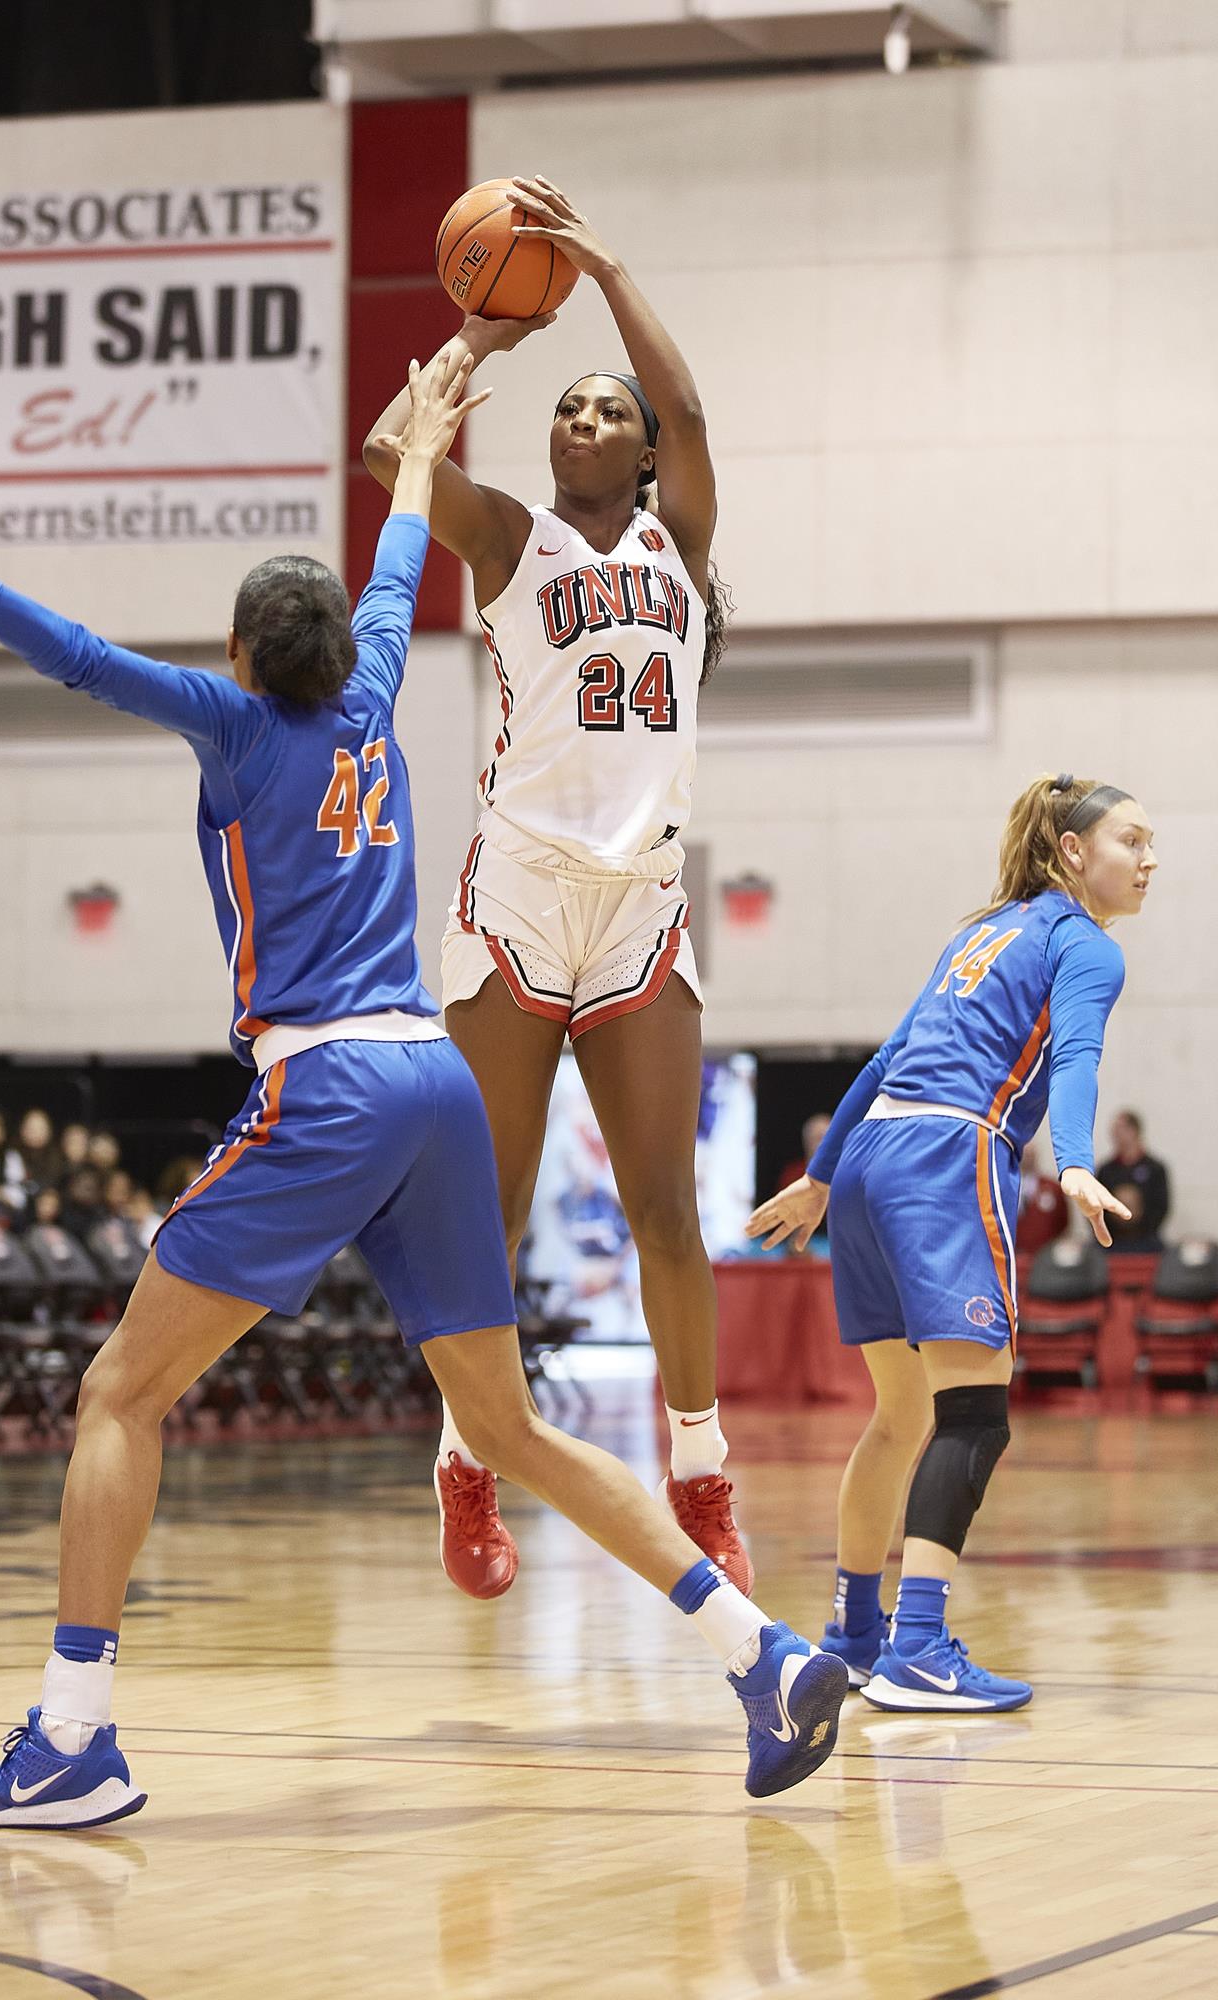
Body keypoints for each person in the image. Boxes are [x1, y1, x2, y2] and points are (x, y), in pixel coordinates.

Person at [0, 351, 846, 1830]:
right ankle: (761, 1657)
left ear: (240, 654)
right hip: (434, 1080)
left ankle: (74, 1736)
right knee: (508, 1428)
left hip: (327, 1085)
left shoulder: (232, 720)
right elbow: (392, 566)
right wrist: (426, 443)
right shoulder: (373, 686)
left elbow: (75, 653)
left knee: (121, 1391)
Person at [363, 174, 750, 1604]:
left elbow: (695, 415)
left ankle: (702, 1480)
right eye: (567, 409)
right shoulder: (512, 539)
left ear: (644, 454)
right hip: (516, 899)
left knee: (667, 1212)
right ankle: (469, 1457)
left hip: (641, 901)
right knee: (496, 1209)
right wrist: (491, 336)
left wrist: (603, 274)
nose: (583, 420)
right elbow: (386, 448)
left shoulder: (680, 551)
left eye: (607, 411)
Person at [746, 773, 1156, 1711]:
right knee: (974, 1417)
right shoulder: (1085, 944)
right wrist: (1082, 1160)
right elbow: (1079, 1055)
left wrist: (818, 1178)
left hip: (870, 1157)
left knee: (900, 1417)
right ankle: (920, 1646)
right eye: (1130, 841)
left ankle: (853, 1634)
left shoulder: (982, 929)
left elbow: (888, 1057)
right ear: (1071, 854)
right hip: (947, 1151)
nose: (1148, 859)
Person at [1096, 1109, 1170, 1254]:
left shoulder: (1154, 1168)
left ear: (1134, 1131)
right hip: (1112, 1239)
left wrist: (1138, 1223)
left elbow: (1161, 1206)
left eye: (1121, 1128)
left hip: (1146, 1238)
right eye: (1114, 1129)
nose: (1116, 1134)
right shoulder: (1106, 1170)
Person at [1016, 1142, 1068, 1255]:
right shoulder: (1002, 1187)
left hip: (1044, 1257)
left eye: (1031, 1154)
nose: (1027, 1158)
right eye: (1024, 1154)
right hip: (1011, 1254)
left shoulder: (1053, 1188)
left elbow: (1064, 1222)